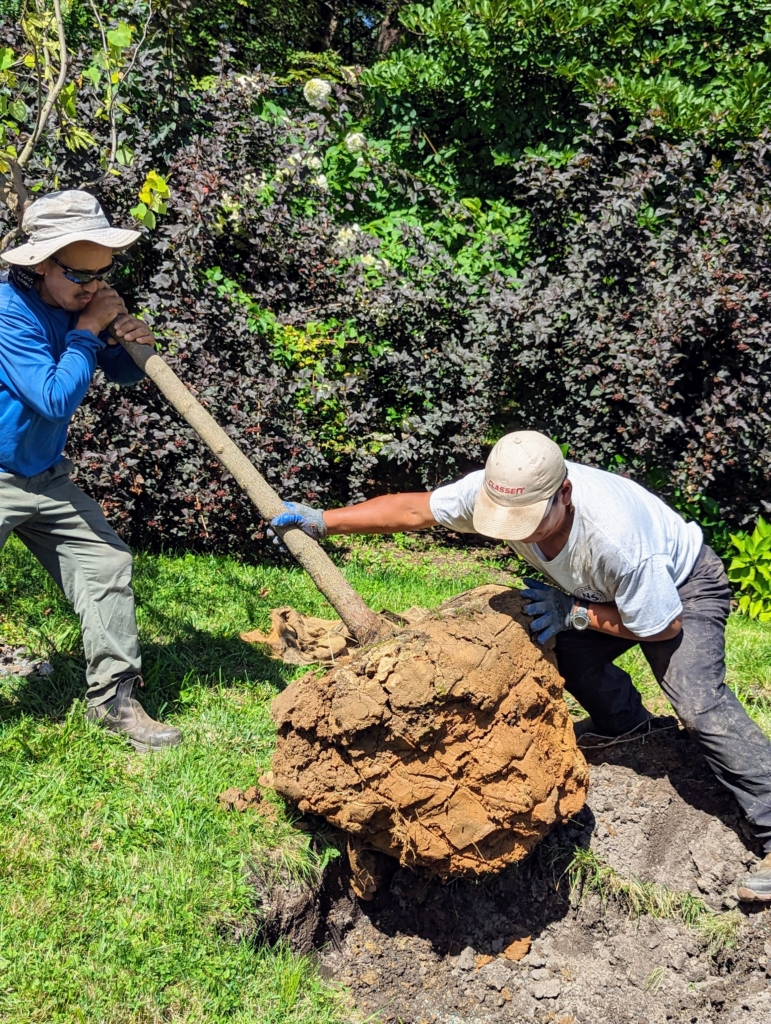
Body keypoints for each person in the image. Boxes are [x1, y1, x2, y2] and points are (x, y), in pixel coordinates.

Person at [270, 429, 771, 901]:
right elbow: (413, 509)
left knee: (699, 702)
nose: (515, 530)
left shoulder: (618, 540)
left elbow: (661, 628)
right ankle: (630, 729)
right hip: (593, 592)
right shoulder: (502, 490)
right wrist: (322, 519)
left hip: (679, 592)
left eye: (529, 519)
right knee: (562, 655)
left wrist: (574, 612)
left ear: (565, 494)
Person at [0, 190, 182, 752]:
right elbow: (55, 398)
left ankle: (115, 701)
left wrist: (130, 344)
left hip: (43, 474)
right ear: (39, 264)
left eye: (104, 273)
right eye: (81, 274)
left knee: (105, 561)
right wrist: (88, 329)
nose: (96, 287)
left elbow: (114, 372)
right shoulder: (8, 314)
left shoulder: (79, 304)